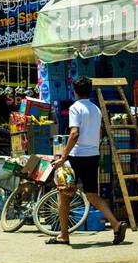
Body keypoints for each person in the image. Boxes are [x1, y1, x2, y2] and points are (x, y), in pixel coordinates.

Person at [50, 76, 126, 246]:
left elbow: (74, 133)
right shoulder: (96, 109)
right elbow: (99, 133)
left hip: (77, 157)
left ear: (74, 91)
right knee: (92, 194)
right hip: (93, 155)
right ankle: (115, 224)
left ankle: (63, 235)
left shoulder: (75, 108)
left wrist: (63, 157)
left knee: (64, 194)